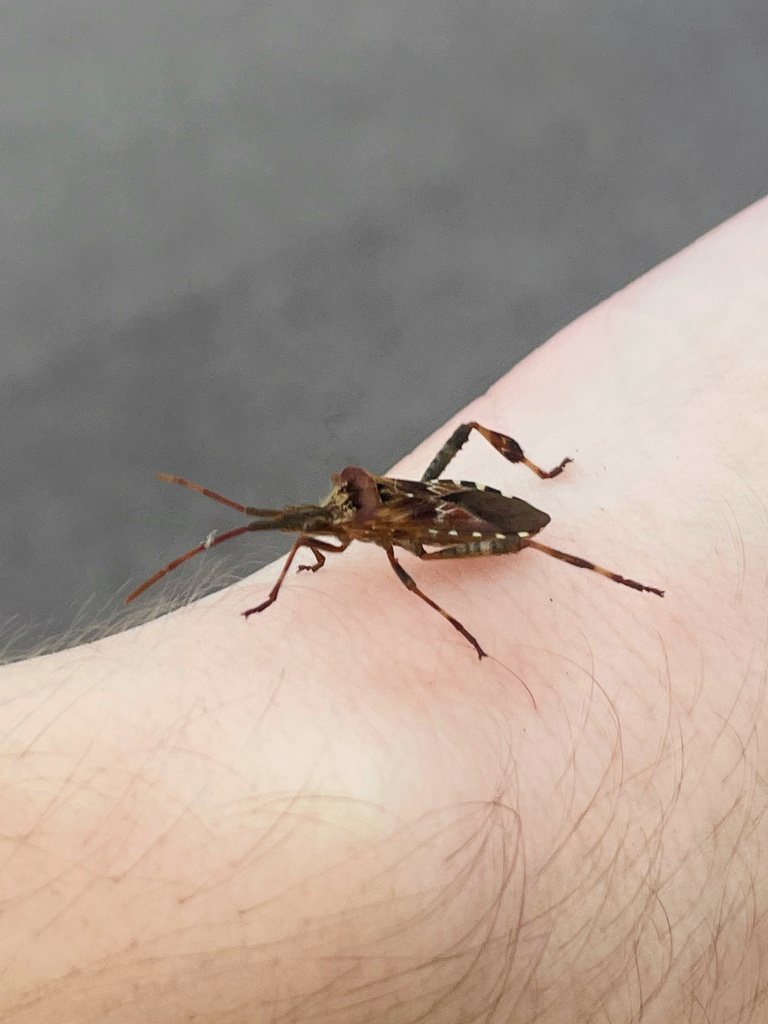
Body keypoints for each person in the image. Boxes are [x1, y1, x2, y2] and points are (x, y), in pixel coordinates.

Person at [3, 197, 767, 1024]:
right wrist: (269, 585)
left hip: (461, 526)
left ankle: (608, 569)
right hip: (417, 516)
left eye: (337, 515)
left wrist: (464, 627)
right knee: (326, 527)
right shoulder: (329, 529)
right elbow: (313, 535)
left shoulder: (392, 538)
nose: (320, 526)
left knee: (506, 536)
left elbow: (405, 573)